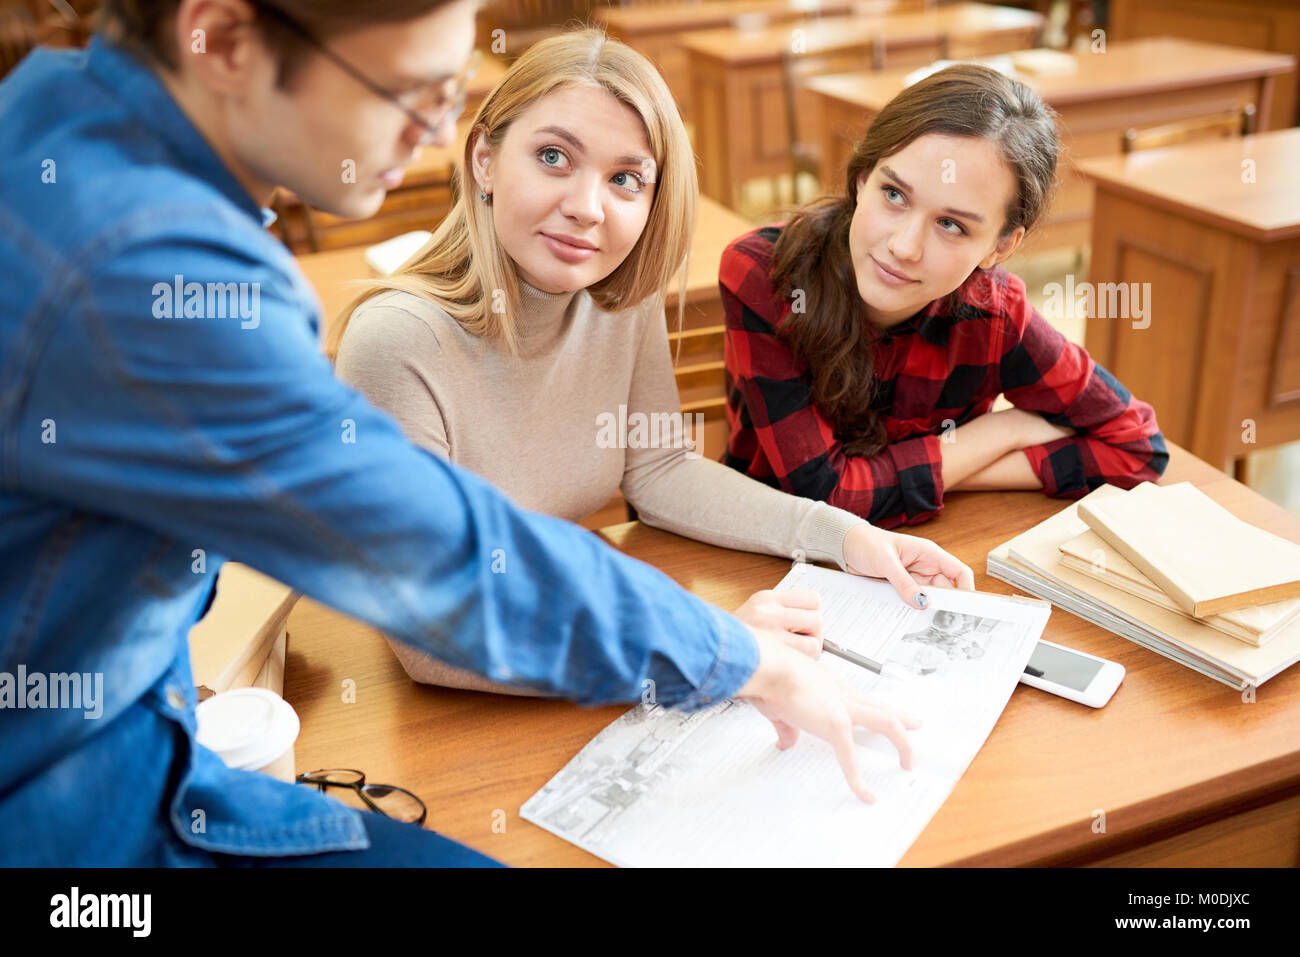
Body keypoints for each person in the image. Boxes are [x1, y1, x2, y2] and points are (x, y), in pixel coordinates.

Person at [0, 0, 924, 867]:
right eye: (406, 91)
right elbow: (439, 562)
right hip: (71, 808)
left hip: (132, 740)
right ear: (227, 41)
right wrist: (733, 654)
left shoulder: (57, 112)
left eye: (448, 95)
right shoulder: (147, 272)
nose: (436, 132)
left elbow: (644, 471)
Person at [332, 29, 976, 695]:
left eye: (625, 179)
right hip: (470, 700)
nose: (586, 207)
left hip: (567, 648)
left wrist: (845, 537)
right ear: (485, 160)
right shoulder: (397, 340)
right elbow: (430, 633)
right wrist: (699, 646)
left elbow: (659, 468)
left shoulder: (614, 297)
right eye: (553, 156)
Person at [719, 64, 1168, 530]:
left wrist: (953, 467)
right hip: (761, 554)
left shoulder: (992, 312)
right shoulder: (765, 275)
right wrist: (999, 432)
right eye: (893, 194)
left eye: (951, 225)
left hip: (931, 552)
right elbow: (827, 499)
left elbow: (1137, 447)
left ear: (1000, 246)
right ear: (861, 178)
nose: (904, 246)